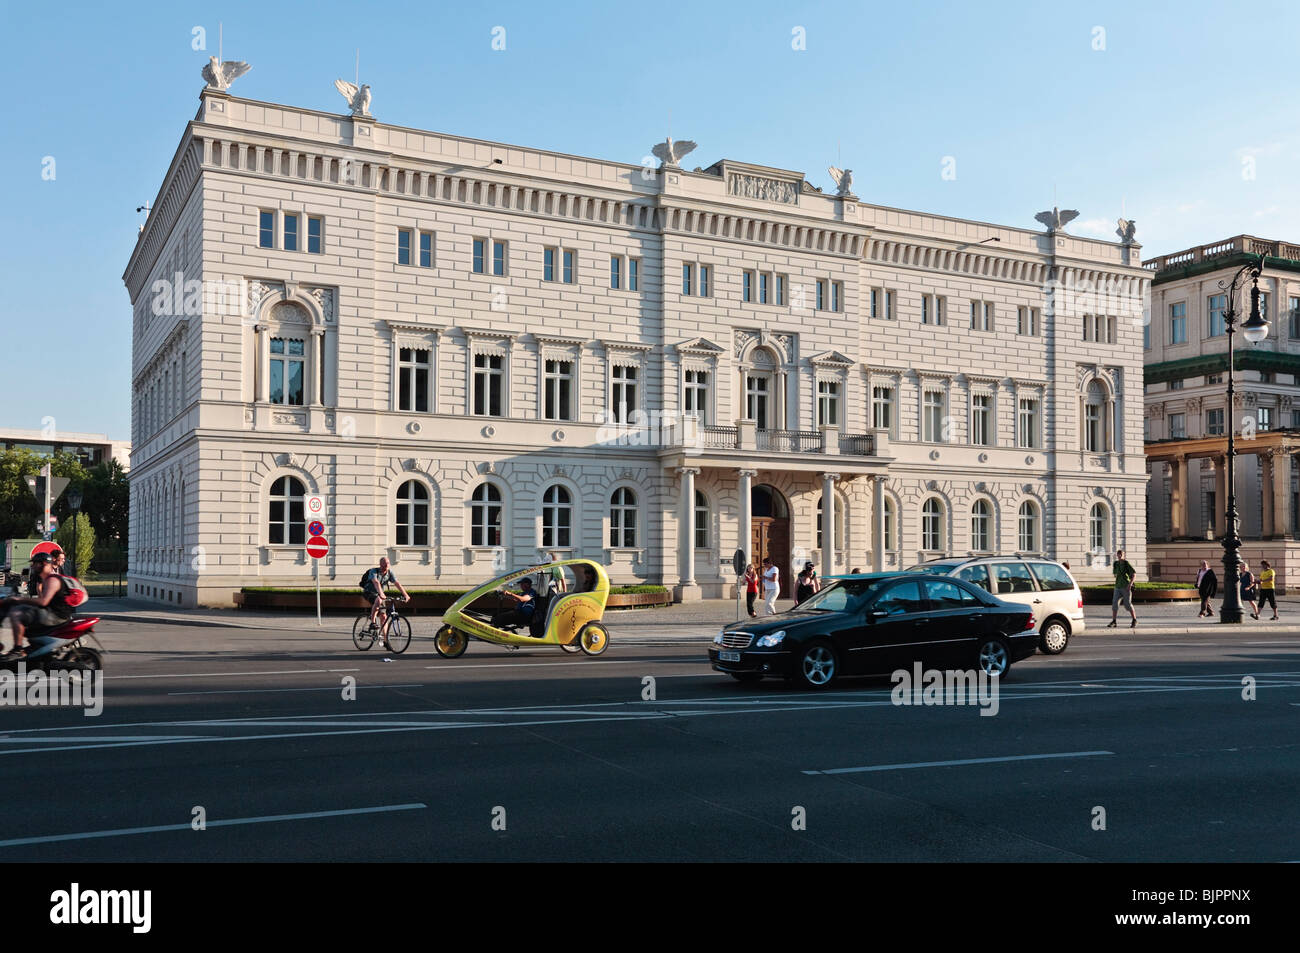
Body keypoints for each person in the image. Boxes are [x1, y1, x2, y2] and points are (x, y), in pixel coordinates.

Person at [2, 552, 74, 659]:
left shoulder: (53, 579)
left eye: (35, 563)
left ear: (43, 563)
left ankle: (17, 650)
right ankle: (35, 646)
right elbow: (24, 582)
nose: (32, 566)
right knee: (21, 610)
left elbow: (43, 600)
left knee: (16, 614)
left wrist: (18, 599)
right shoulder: (41, 575)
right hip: (50, 608)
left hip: (56, 614)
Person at [360, 557, 409, 645]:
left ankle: (386, 641)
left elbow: (397, 583)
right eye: (384, 564)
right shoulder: (374, 571)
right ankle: (373, 622)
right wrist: (381, 594)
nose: (386, 565)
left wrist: (405, 594)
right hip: (368, 592)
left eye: (388, 563)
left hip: (379, 594)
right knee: (378, 599)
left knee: (383, 616)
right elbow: (376, 582)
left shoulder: (390, 573)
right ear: (380, 564)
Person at [1107, 548, 1137, 629]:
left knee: (1127, 605)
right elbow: (1115, 574)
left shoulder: (1126, 563)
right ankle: (1114, 621)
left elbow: (1134, 574)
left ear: (1123, 555)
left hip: (1125, 587)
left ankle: (1134, 620)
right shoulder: (1115, 564)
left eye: (1121, 554)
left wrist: (1130, 584)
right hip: (1117, 586)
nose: (1119, 555)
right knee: (1114, 604)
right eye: (1118, 554)